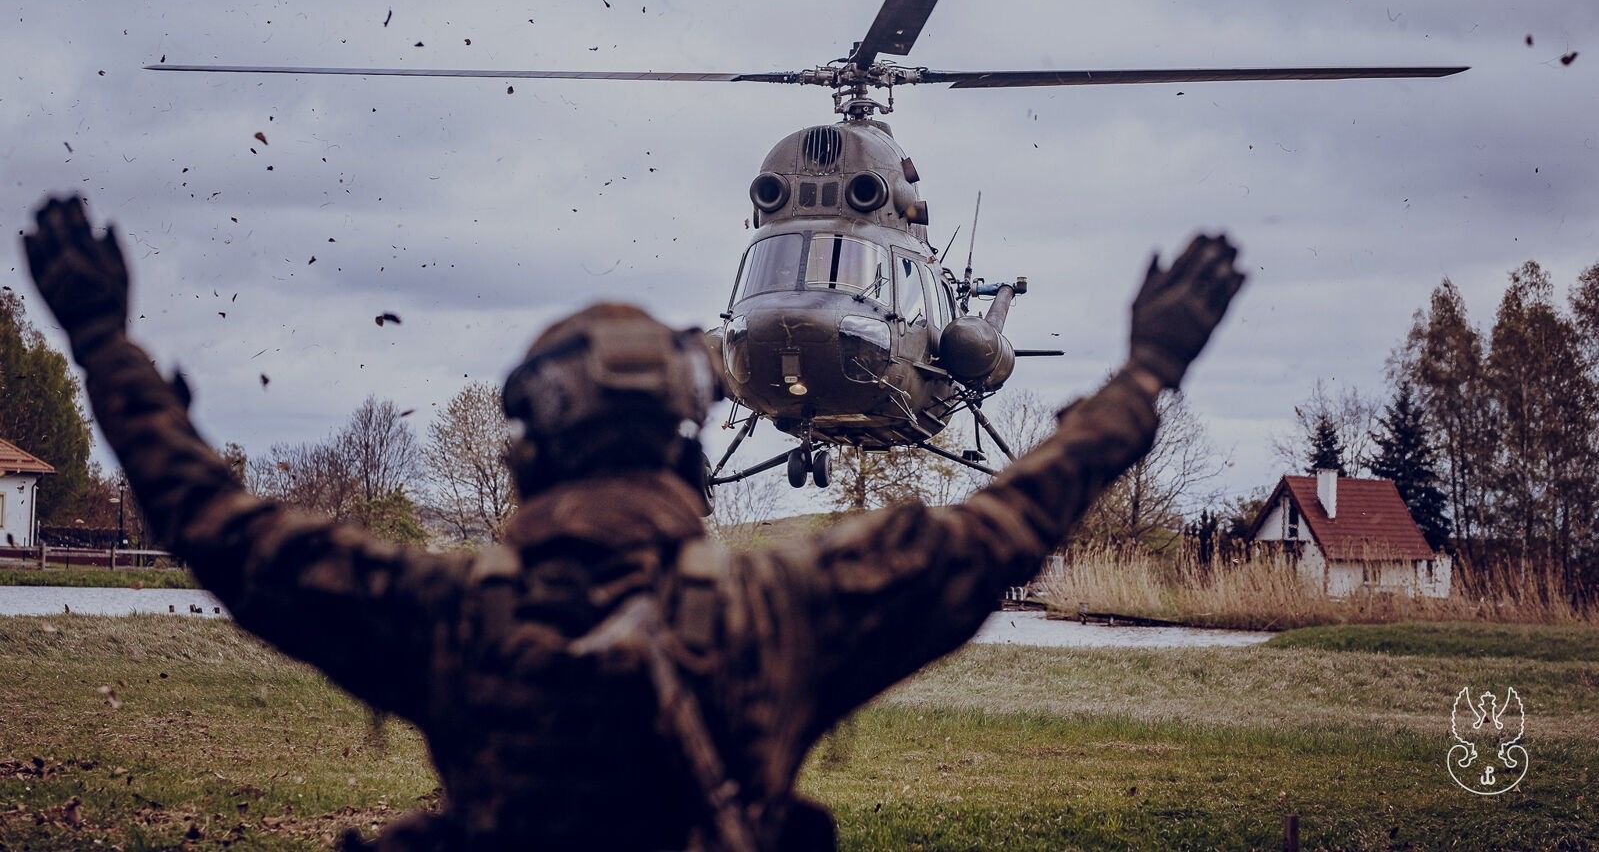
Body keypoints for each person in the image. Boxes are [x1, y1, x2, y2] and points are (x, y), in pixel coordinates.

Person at [23, 195, 1244, 851]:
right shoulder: (786, 611)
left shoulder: (443, 617)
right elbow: (1011, 520)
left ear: (527, 455)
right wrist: (1148, 371)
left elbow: (220, 526)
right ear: (687, 449)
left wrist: (104, 344)